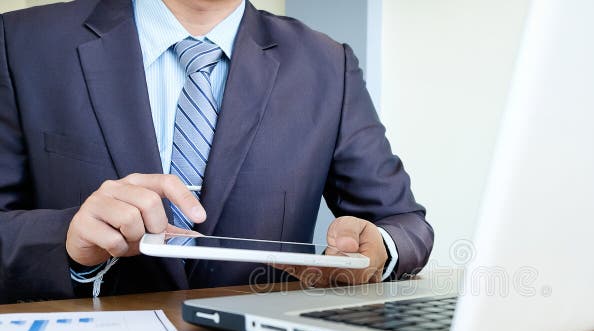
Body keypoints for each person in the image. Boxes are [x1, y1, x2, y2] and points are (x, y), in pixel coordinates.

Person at [0, 0, 433, 303]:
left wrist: (377, 245)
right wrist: (66, 238)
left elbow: (404, 222)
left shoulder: (327, 64)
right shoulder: (21, 44)